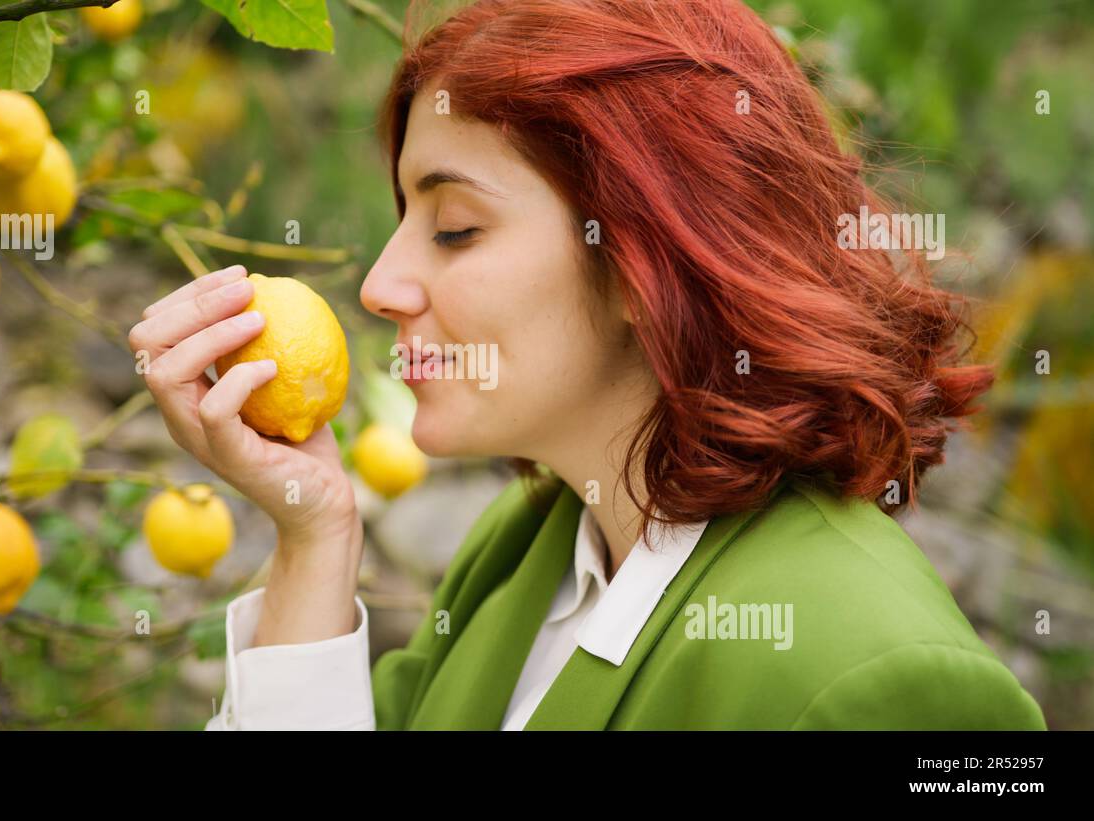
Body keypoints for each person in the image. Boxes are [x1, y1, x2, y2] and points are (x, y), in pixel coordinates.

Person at [128, 0, 1046, 730]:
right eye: (405, 216)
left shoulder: (881, 678)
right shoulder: (525, 553)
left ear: (645, 260)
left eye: (455, 228)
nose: (379, 283)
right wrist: (312, 532)